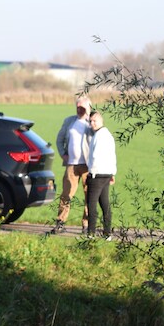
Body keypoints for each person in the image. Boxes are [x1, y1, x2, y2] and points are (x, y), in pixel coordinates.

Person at [52, 96, 92, 234]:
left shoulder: (92, 122)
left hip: (88, 166)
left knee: (89, 195)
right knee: (66, 195)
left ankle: (86, 225)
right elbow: (59, 139)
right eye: (78, 107)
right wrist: (63, 154)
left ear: (88, 108)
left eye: (83, 108)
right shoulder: (69, 121)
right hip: (71, 165)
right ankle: (60, 222)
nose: (79, 110)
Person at [84, 111, 117, 239]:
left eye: (94, 121)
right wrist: (113, 173)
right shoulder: (108, 135)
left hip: (97, 174)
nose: (92, 123)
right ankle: (107, 233)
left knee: (91, 204)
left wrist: (90, 173)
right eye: (90, 121)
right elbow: (112, 155)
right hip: (107, 173)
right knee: (105, 203)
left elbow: (94, 156)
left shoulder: (98, 136)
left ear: (101, 121)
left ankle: (91, 233)